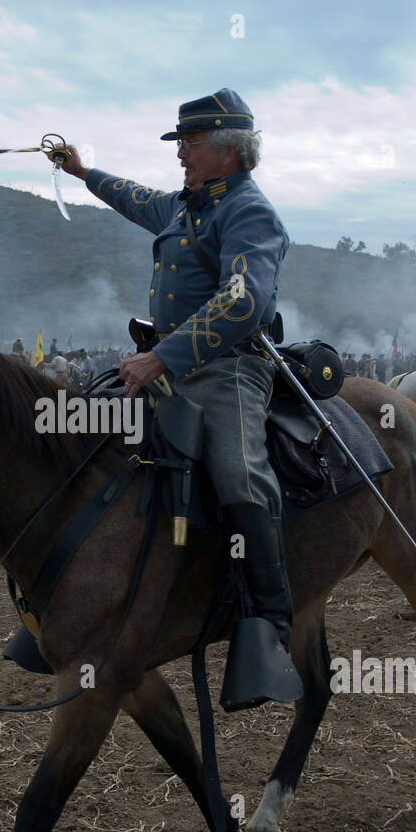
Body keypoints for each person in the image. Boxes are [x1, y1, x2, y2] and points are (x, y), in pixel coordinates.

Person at [48, 86, 302, 707]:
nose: (180, 153)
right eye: (181, 143)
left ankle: (267, 628)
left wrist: (164, 354)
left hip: (225, 370)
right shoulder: (185, 206)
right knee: (83, 437)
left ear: (227, 151)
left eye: (188, 143)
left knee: (241, 476)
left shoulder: (249, 212)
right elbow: (133, 198)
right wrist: (83, 172)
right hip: (163, 363)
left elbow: (242, 301)